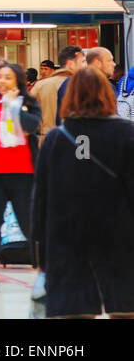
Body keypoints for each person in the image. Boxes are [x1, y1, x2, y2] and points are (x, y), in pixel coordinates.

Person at [32, 66, 134, 318]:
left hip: (67, 241)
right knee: (124, 309)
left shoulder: (56, 138)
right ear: (107, 94)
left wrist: (39, 254)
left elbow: (40, 199)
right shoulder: (126, 134)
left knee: (75, 311)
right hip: (120, 238)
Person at [0, 62, 41, 293]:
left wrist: (14, 107)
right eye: (0, 77)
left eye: (8, 78)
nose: (3, 82)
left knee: (29, 224)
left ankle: (48, 271)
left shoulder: (29, 104)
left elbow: (32, 127)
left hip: (23, 174)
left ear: (18, 82)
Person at [32, 46, 83, 139]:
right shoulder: (82, 85)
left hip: (45, 139)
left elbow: (29, 114)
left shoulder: (40, 86)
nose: (86, 65)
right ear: (70, 64)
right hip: (75, 142)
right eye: (83, 62)